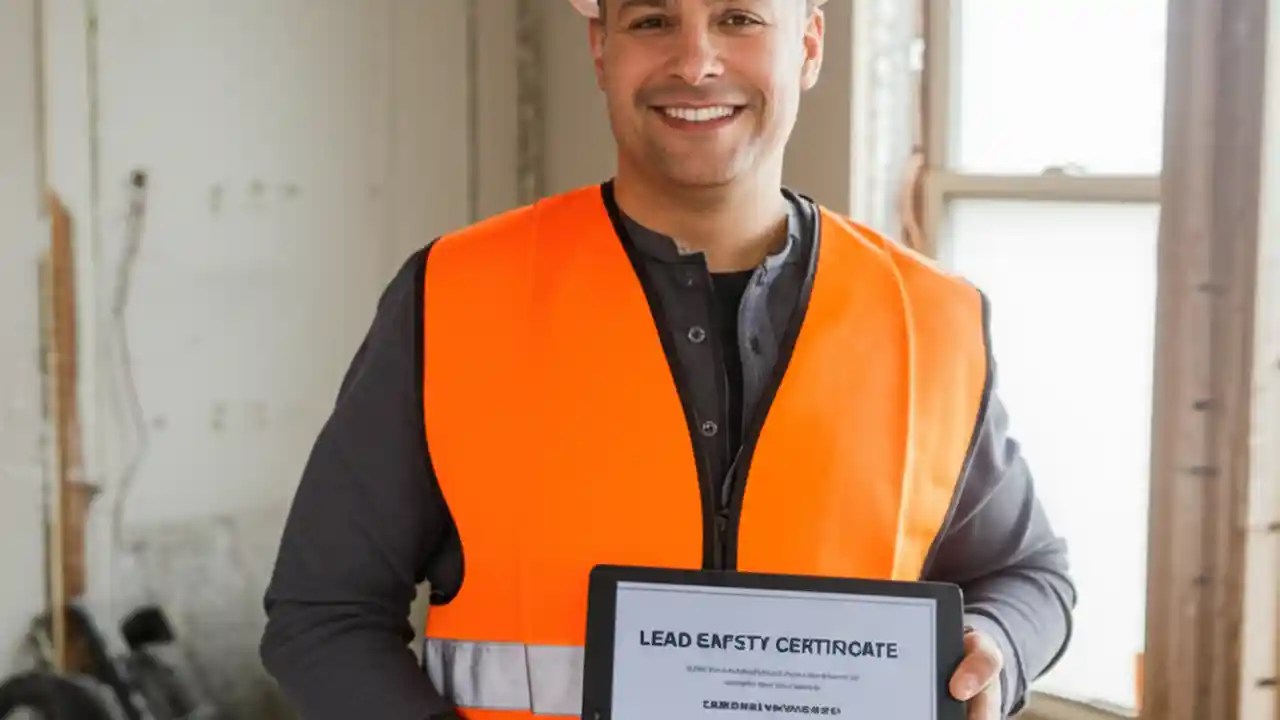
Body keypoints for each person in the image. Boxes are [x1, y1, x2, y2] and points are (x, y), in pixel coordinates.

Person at [260, 0, 1076, 718]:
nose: (695, 61)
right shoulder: (454, 293)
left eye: (740, 18)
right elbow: (322, 615)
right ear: (600, 51)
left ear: (810, 45)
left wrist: (995, 650)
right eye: (651, 20)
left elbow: (1029, 574)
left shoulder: (930, 317)